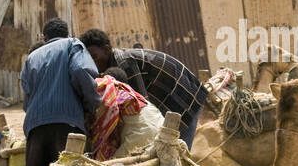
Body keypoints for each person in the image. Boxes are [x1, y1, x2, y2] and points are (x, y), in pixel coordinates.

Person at [14, 27, 100, 166]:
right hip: (67, 124)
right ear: (67, 33)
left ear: (44, 37)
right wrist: (92, 105)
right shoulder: (73, 45)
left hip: (36, 125)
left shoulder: (33, 56)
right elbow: (81, 70)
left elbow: (27, 93)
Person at [79, 29, 208, 148]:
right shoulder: (114, 65)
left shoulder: (125, 63)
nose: (93, 64)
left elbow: (142, 105)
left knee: (176, 151)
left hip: (185, 97)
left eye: (94, 57)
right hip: (169, 97)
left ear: (107, 49)